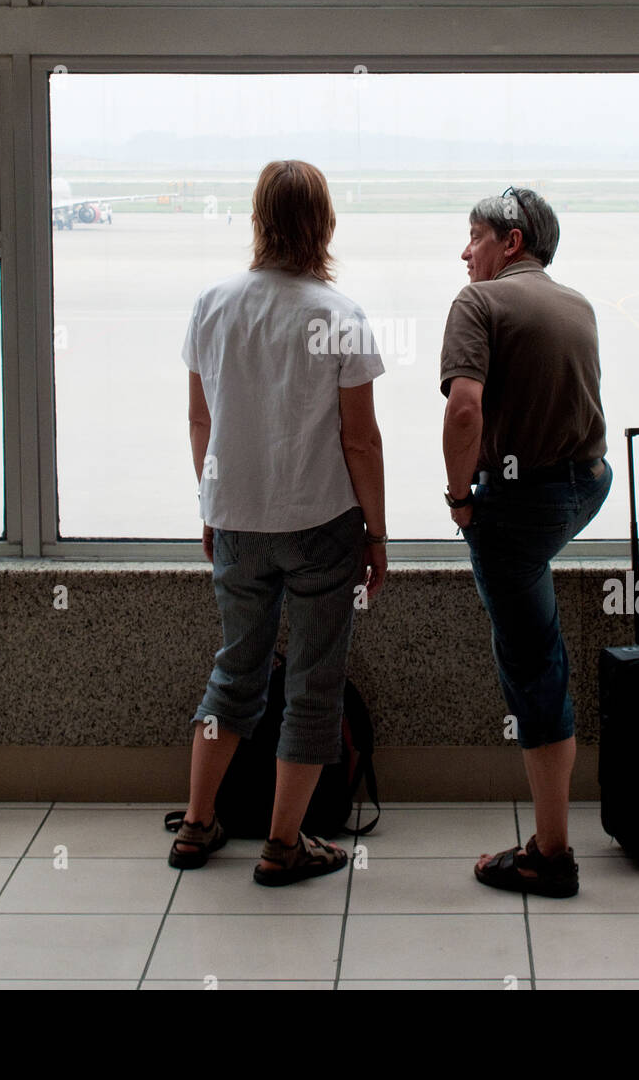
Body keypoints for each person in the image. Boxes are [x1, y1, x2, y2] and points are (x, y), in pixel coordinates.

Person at [170, 159, 387, 885]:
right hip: (320, 521)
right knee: (313, 684)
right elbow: (360, 440)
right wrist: (376, 534)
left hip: (236, 520)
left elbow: (200, 419)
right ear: (323, 223)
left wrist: (212, 503)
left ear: (259, 219)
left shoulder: (211, 305)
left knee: (236, 671)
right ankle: (282, 844)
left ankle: (197, 824)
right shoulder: (338, 315)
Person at [440, 186, 611, 897]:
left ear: (511, 242)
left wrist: (461, 499)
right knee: (538, 636)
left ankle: (551, 854)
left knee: (535, 667)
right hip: (586, 485)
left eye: (475, 237)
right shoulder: (577, 304)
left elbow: (464, 411)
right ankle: (551, 837)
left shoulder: (478, 303)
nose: (464, 252)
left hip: (519, 506)